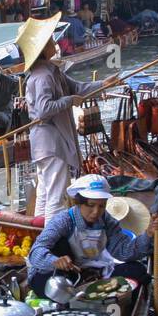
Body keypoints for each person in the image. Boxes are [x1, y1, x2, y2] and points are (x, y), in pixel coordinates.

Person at [26, 174, 158, 299]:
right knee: (49, 285)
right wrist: (54, 261)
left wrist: (148, 234)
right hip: (61, 273)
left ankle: (88, 289)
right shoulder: (63, 220)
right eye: (91, 205)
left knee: (138, 271)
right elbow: (36, 251)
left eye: (101, 206)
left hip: (91, 270)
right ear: (78, 203)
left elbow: (124, 251)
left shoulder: (106, 220)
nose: (96, 212)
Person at [26, 32, 101, 219]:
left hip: (44, 144)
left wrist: (105, 84)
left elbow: (78, 88)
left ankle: (40, 238)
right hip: (51, 142)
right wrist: (69, 101)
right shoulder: (43, 75)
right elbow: (44, 109)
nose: (55, 43)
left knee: (44, 193)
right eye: (51, 41)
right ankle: (51, 243)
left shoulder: (51, 71)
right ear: (43, 48)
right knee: (56, 197)